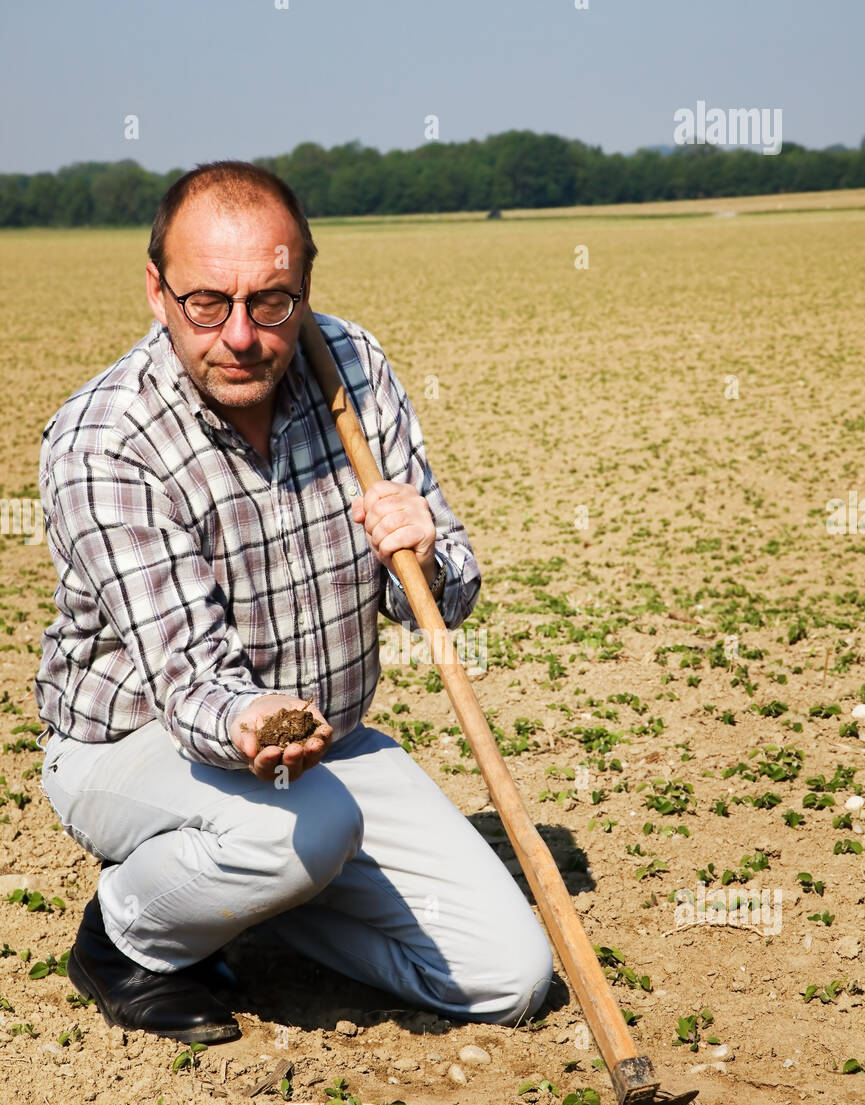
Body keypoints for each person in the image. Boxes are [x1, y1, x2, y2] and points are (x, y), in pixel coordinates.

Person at [35, 160, 553, 1045]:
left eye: (270, 301)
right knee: (301, 828)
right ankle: (125, 937)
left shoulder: (352, 368)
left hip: (332, 752)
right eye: (207, 303)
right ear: (157, 292)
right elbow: (192, 682)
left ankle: (251, 895)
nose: (240, 335)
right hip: (137, 749)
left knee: (509, 977)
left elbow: (450, 594)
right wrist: (258, 722)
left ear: (305, 286)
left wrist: (422, 547)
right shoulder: (105, 444)